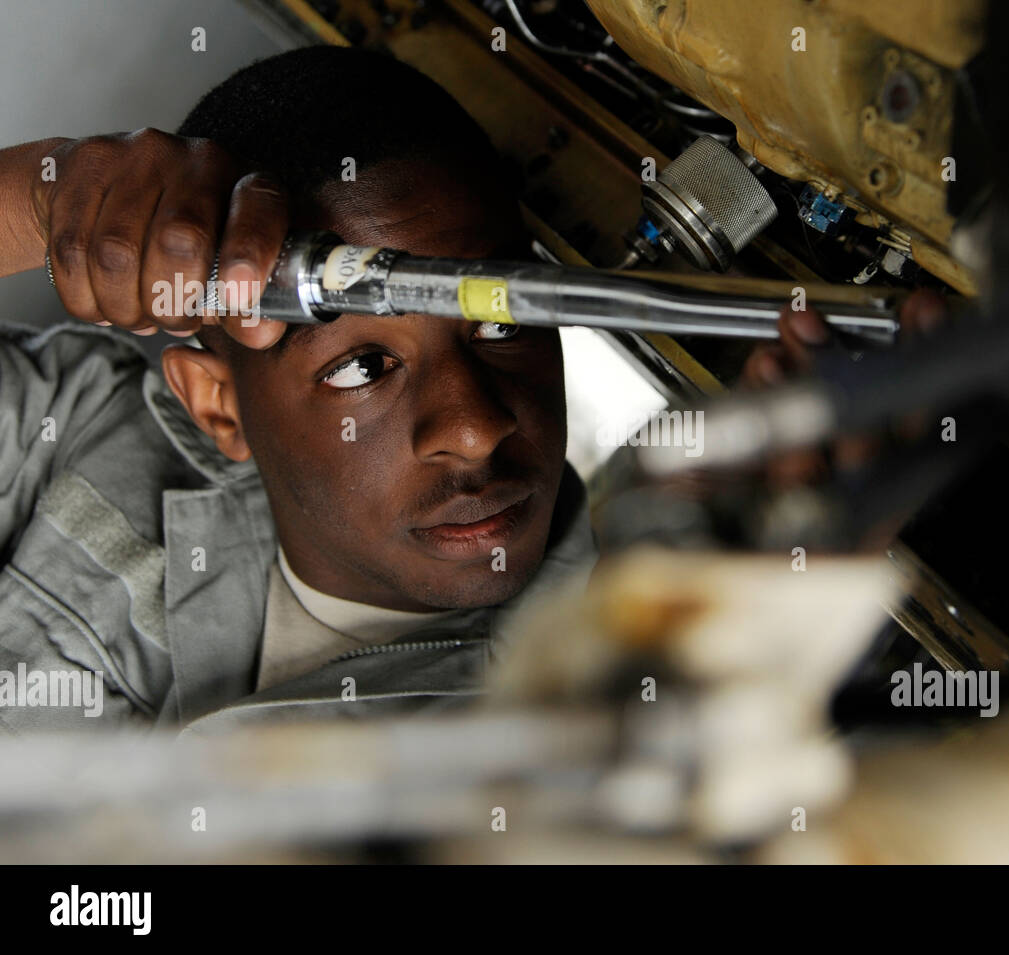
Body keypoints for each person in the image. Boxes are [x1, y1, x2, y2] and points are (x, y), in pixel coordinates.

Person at [0, 46, 851, 736]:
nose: (477, 427)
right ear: (218, 404)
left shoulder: (597, 693)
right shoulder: (79, 431)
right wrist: (41, 197)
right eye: (362, 367)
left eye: (502, 322)